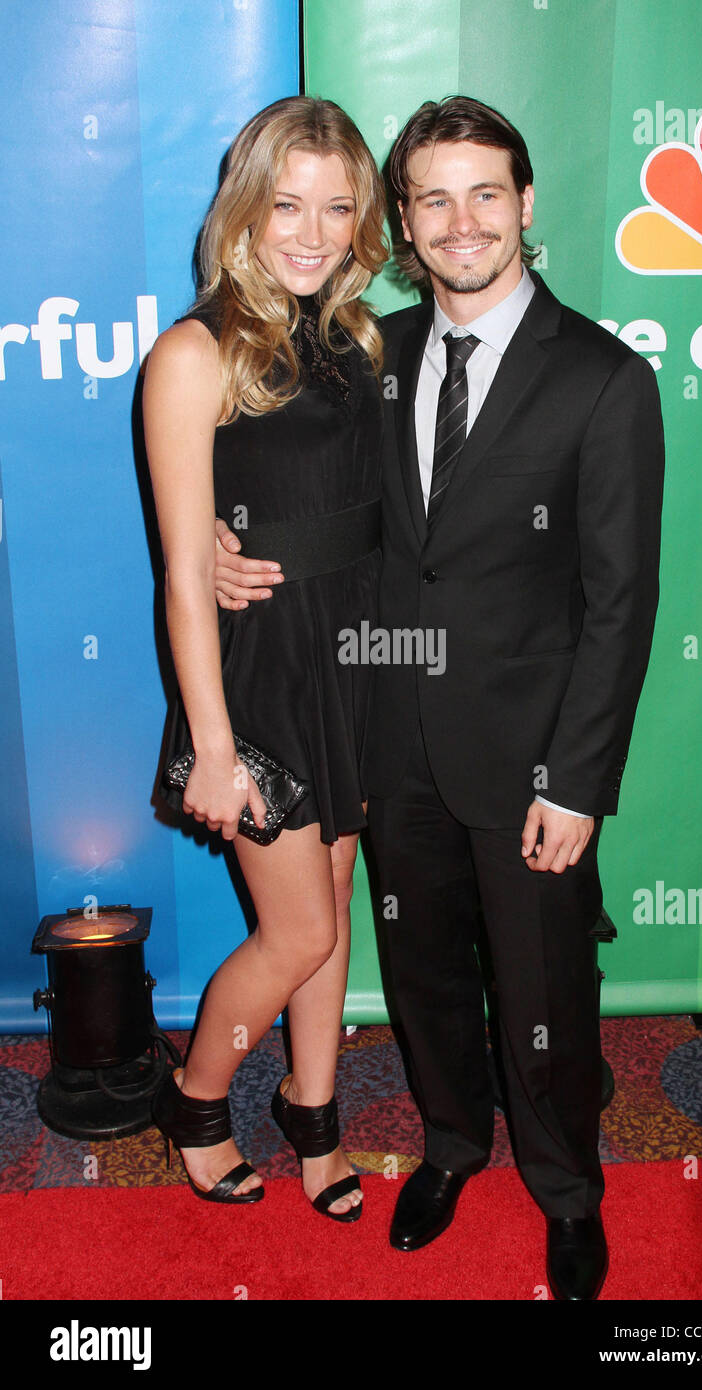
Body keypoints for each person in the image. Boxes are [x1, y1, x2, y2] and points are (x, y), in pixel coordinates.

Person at [214, 95, 664, 1298]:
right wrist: (217, 547)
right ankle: (454, 1146)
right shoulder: (375, 354)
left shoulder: (604, 380)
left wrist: (578, 783)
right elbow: (295, 487)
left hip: (529, 766)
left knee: (544, 989)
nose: (460, 222)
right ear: (403, 225)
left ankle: (568, 1190)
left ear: (524, 205)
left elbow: (621, 607)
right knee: (420, 979)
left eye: (484, 194)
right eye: (431, 199)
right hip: (388, 741)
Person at [143, 95, 388, 1217]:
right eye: (286, 203)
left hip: (354, 656)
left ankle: (314, 1117)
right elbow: (187, 571)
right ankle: (195, 1098)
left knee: (332, 907)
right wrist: (212, 748)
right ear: (244, 207)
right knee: (297, 928)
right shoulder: (194, 354)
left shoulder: (354, 338)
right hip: (260, 677)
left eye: (336, 208)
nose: (310, 230)